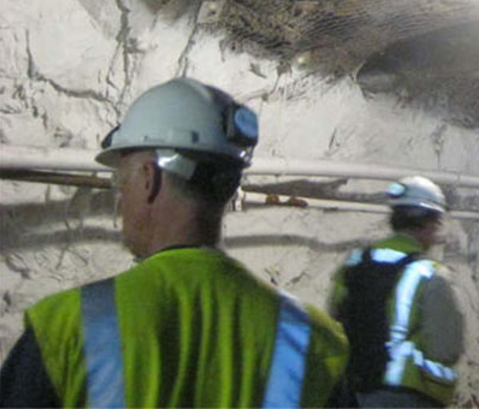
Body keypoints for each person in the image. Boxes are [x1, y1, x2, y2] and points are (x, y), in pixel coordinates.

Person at [0, 77, 351, 407]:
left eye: (122, 182)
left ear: (149, 179)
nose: (121, 198)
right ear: (228, 187)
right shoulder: (311, 340)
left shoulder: (68, 328)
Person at [329, 176, 465, 407]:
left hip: (353, 393)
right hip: (408, 397)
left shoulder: (354, 263)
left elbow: (335, 320)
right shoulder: (429, 274)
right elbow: (446, 349)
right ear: (431, 223)